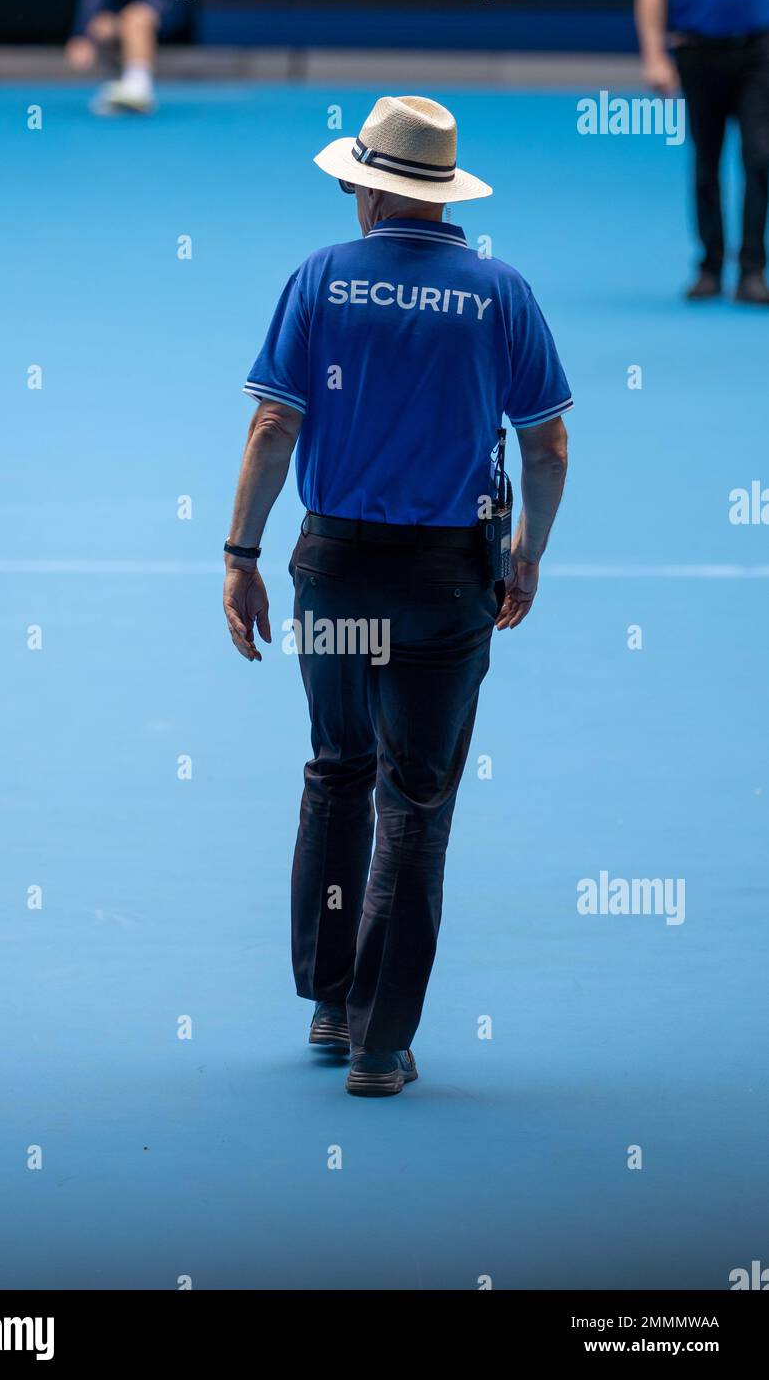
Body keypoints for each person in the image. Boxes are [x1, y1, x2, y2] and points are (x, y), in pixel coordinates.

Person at [222, 96, 571, 1097]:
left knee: (337, 767)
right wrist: (527, 555)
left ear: (373, 189)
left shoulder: (320, 278)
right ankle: (380, 1042)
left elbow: (270, 435)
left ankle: (330, 1001)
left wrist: (239, 553)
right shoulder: (498, 292)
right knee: (414, 799)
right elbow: (545, 444)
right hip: (442, 578)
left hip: (334, 568)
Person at [636, 0, 769, 303]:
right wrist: (654, 56)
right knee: (706, 162)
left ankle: (752, 271)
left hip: (758, 52)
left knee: (760, 158)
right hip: (697, 52)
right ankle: (710, 268)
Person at [65, 0, 192, 115]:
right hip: (127, 12)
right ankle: (122, 83)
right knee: (102, 26)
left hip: (171, 8)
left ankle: (139, 88)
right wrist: (82, 35)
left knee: (136, 18)